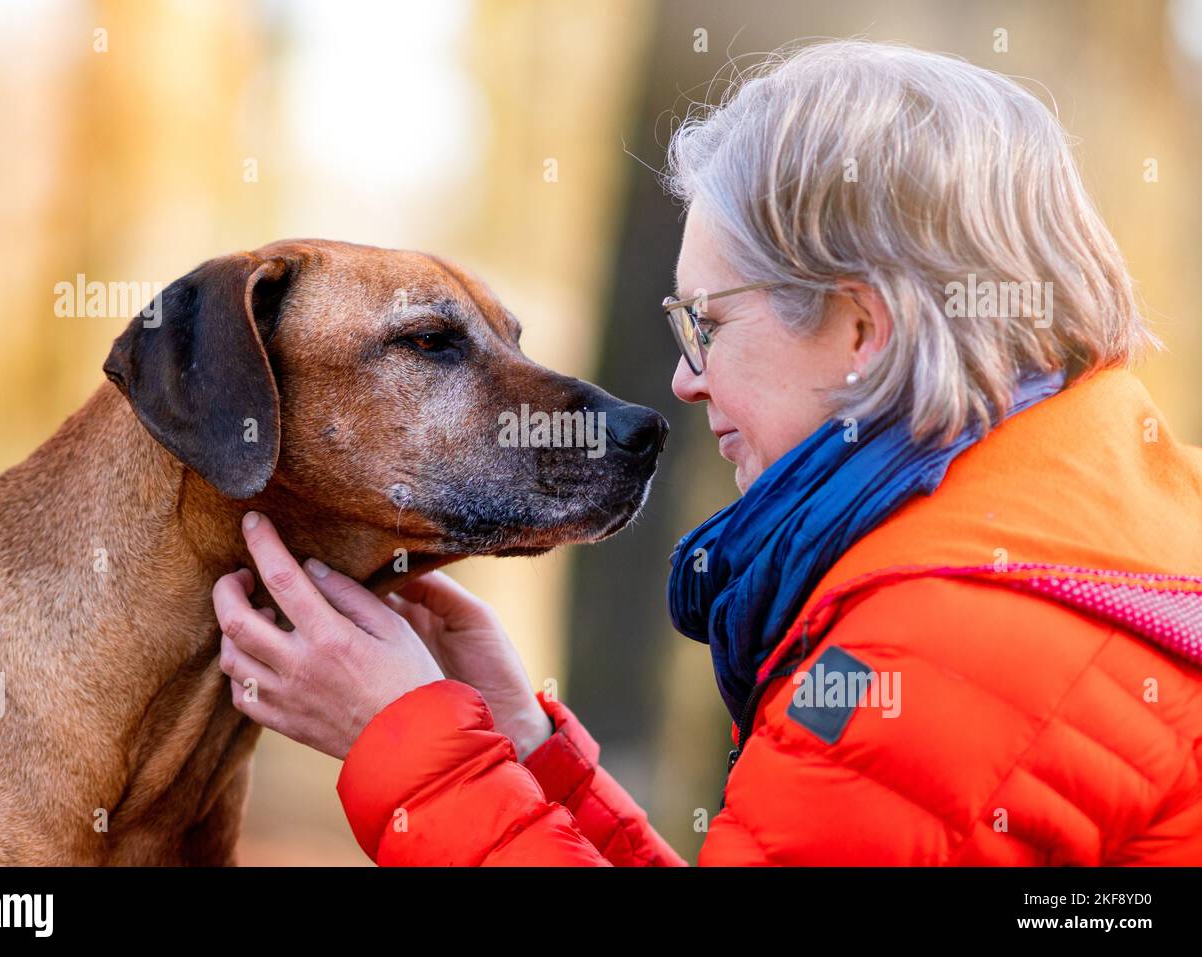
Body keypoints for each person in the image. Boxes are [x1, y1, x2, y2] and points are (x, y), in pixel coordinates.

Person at [211, 39, 1202, 865]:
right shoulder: (1072, 549)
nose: (685, 381)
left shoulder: (945, 649)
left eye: (707, 325)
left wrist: (409, 745)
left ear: (860, 329)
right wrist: (517, 750)